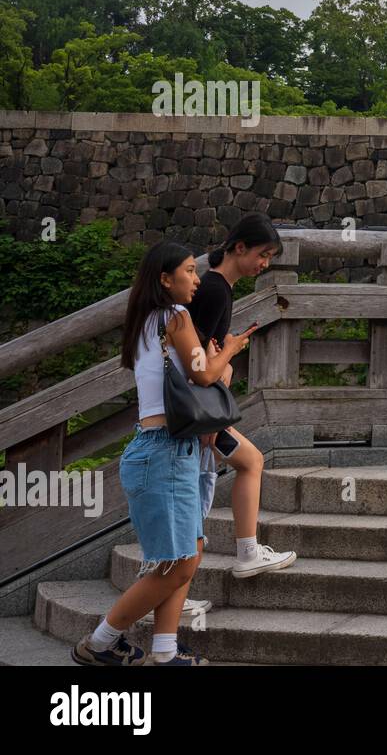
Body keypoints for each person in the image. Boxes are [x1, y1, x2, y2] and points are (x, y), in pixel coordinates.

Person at [72, 242, 257, 666]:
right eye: (190, 272)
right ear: (164, 278)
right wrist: (229, 348)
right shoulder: (176, 316)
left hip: (163, 450)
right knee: (181, 562)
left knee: (182, 558)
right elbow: (204, 374)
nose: (197, 280)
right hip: (166, 453)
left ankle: (164, 651)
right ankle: (100, 642)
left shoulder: (145, 321)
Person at [186, 213, 298, 579]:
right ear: (239, 247)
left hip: (197, 407)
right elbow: (198, 360)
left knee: (199, 490)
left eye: (270, 257)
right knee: (247, 463)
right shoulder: (215, 290)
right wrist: (230, 354)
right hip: (198, 409)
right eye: (262, 255)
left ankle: (241, 554)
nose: (264, 264)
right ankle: (246, 553)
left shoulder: (216, 286)